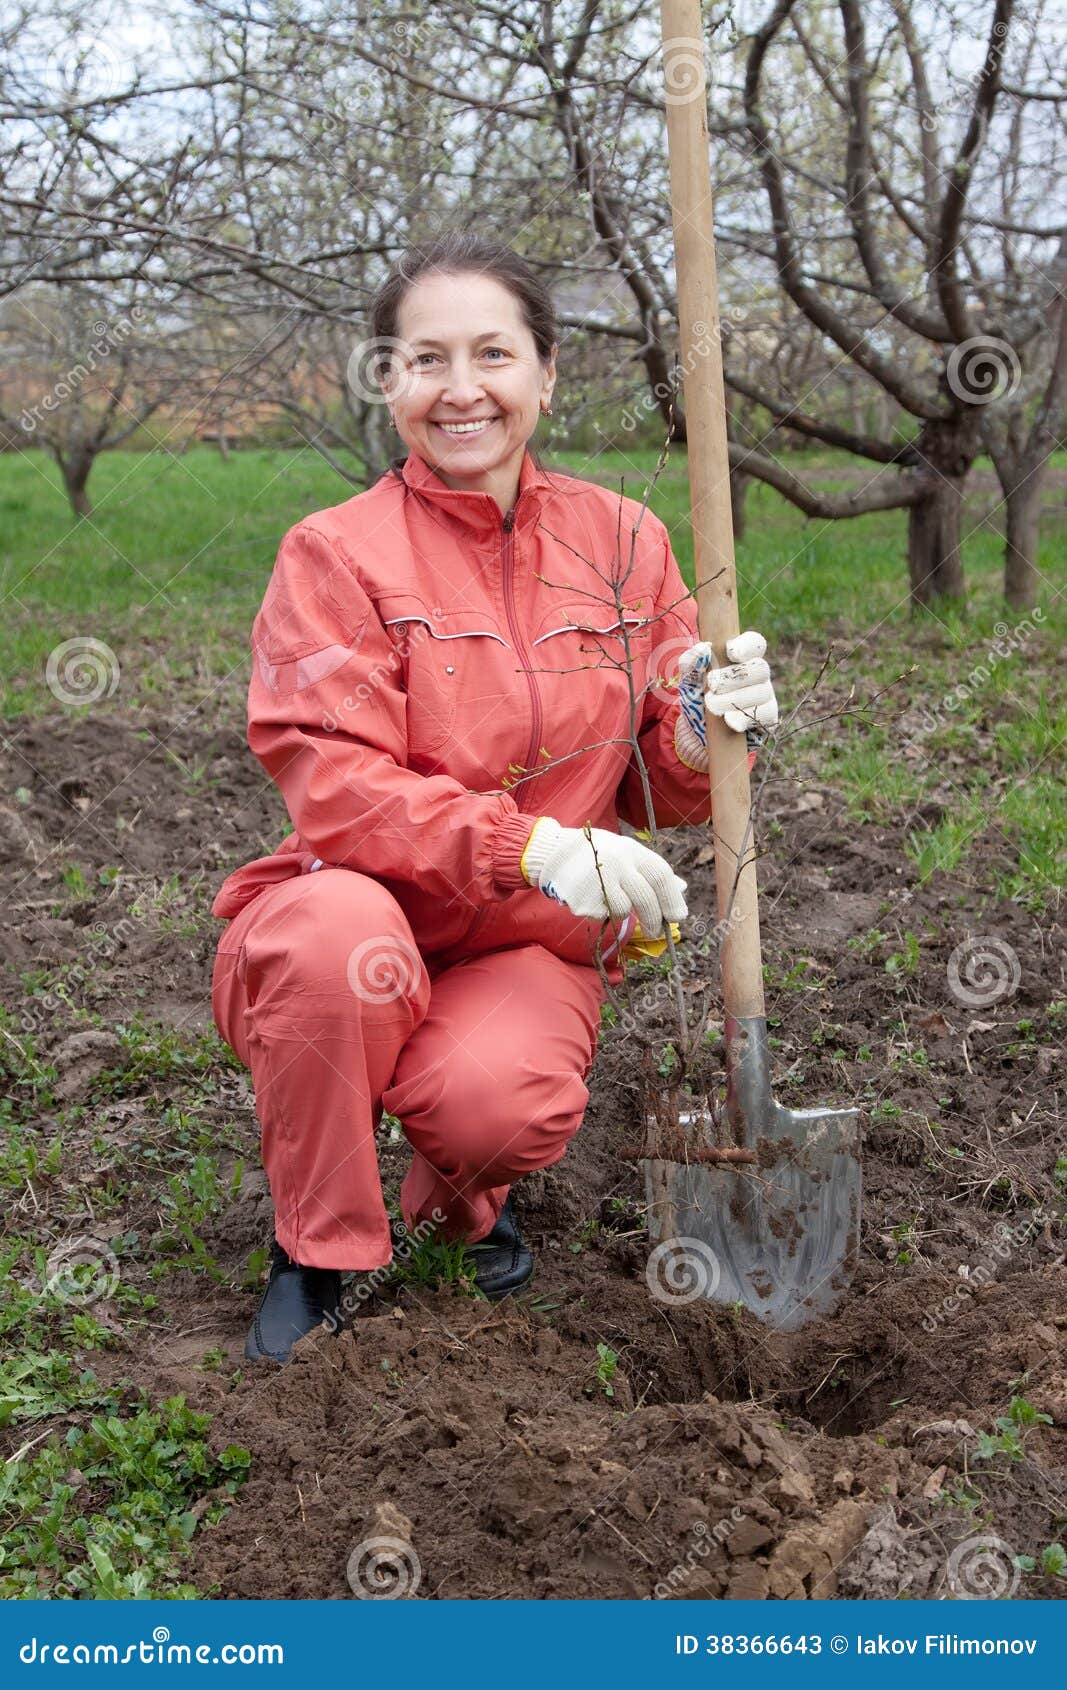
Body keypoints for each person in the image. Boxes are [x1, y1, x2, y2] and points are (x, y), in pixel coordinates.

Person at [210, 233, 779, 1364]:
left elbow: (660, 790)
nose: (460, 389)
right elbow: (338, 787)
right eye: (425, 359)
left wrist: (709, 730)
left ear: (546, 372)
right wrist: (531, 847)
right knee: (335, 948)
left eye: (492, 354)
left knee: (499, 1105)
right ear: (388, 380)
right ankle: (321, 1246)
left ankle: (460, 1196)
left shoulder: (625, 540)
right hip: (359, 909)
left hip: (523, 943)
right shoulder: (334, 555)